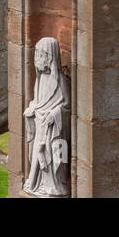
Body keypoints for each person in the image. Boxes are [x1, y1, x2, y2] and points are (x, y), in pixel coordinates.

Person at [23, 36, 70, 196]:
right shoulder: (40, 79)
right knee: (37, 154)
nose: (37, 59)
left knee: (53, 155)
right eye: (36, 54)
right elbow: (38, 102)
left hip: (52, 128)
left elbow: (66, 106)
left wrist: (54, 114)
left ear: (50, 57)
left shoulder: (59, 80)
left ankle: (54, 185)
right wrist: (31, 109)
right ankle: (35, 182)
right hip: (40, 125)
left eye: (41, 55)